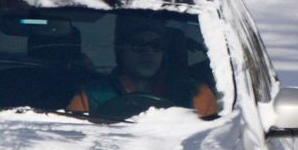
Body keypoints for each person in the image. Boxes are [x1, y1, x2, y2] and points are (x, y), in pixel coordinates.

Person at [67, 11, 219, 119]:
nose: (149, 52)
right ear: (121, 50)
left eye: (156, 45)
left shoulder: (196, 94)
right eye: (138, 45)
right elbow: (73, 142)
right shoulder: (90, 96)